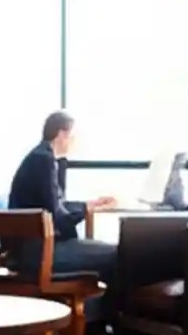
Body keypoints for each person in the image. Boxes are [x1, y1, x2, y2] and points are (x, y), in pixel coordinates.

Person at [7, 111, 118, 284]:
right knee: (119, 253)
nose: (76, 142)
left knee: (112, 254)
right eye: (74, 136)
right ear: (62, 134)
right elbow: (58, 218)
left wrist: (90, 204)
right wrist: (87, 209)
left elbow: (53, 205)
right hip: (40, 253)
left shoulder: (39, 157)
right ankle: (109, 310)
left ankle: (102, 308)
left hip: (28, 250)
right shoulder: (44, 161)